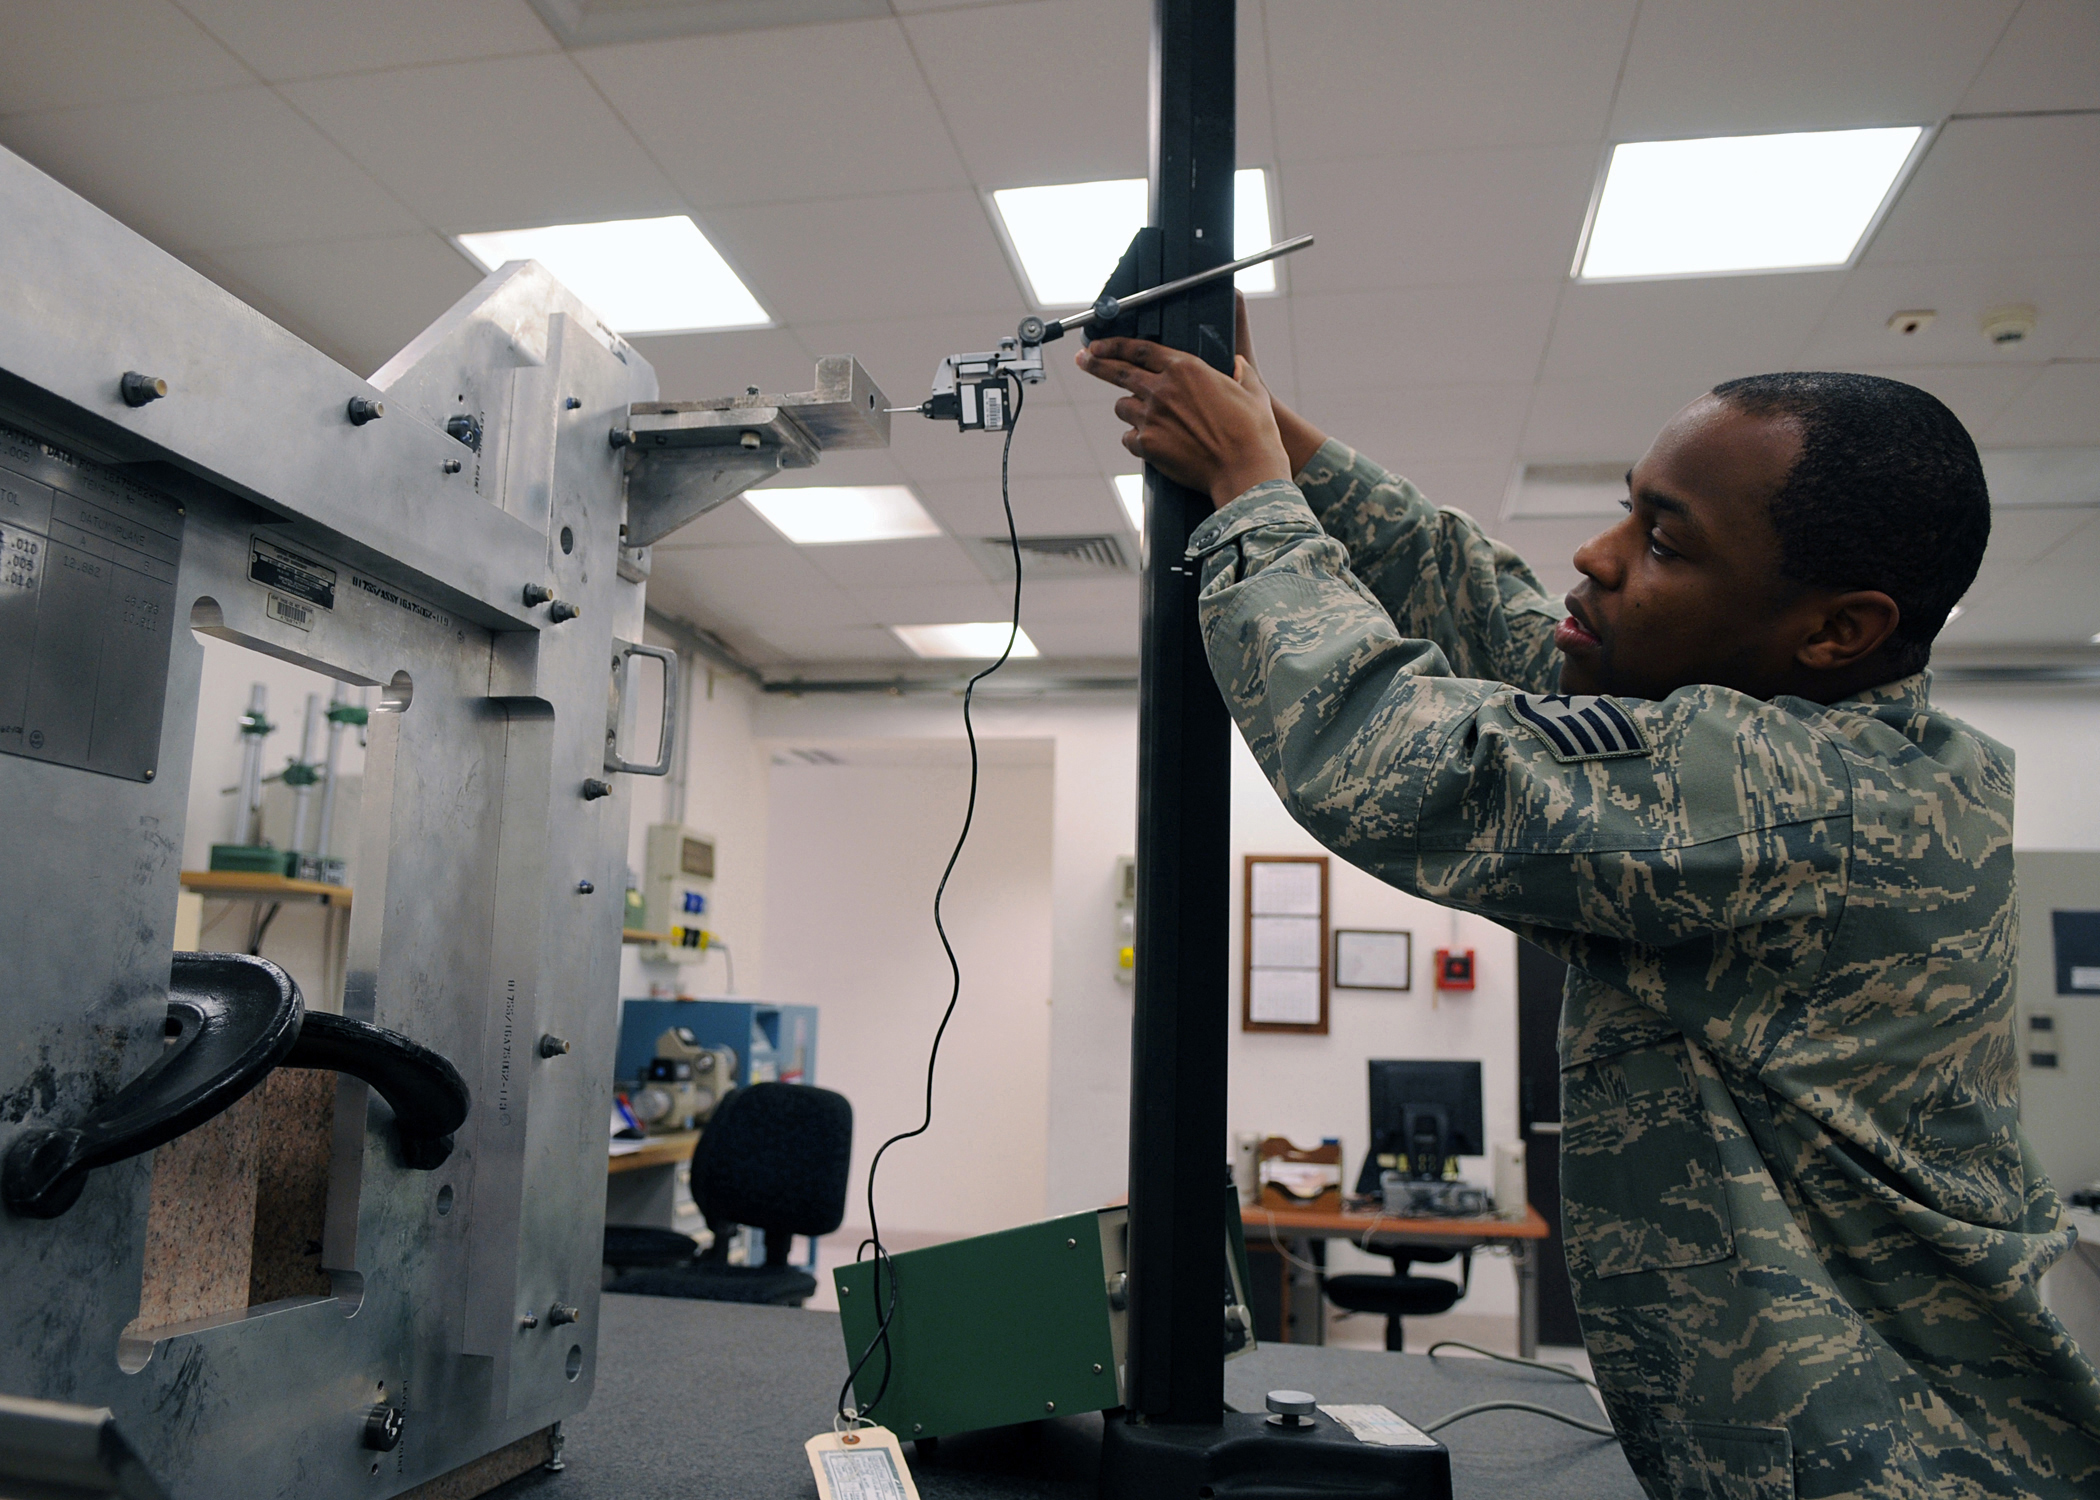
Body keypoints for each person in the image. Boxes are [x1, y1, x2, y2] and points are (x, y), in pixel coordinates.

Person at [1078, 302, 2100, 1499]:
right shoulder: (1847, 751)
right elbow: (1508, 622)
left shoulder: (1808, 799)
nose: (1600, 557)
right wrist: (1278, 433)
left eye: (1665, 542)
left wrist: (1250, 492)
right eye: (1629, 507)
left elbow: (1396, 757)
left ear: (1837, 630)